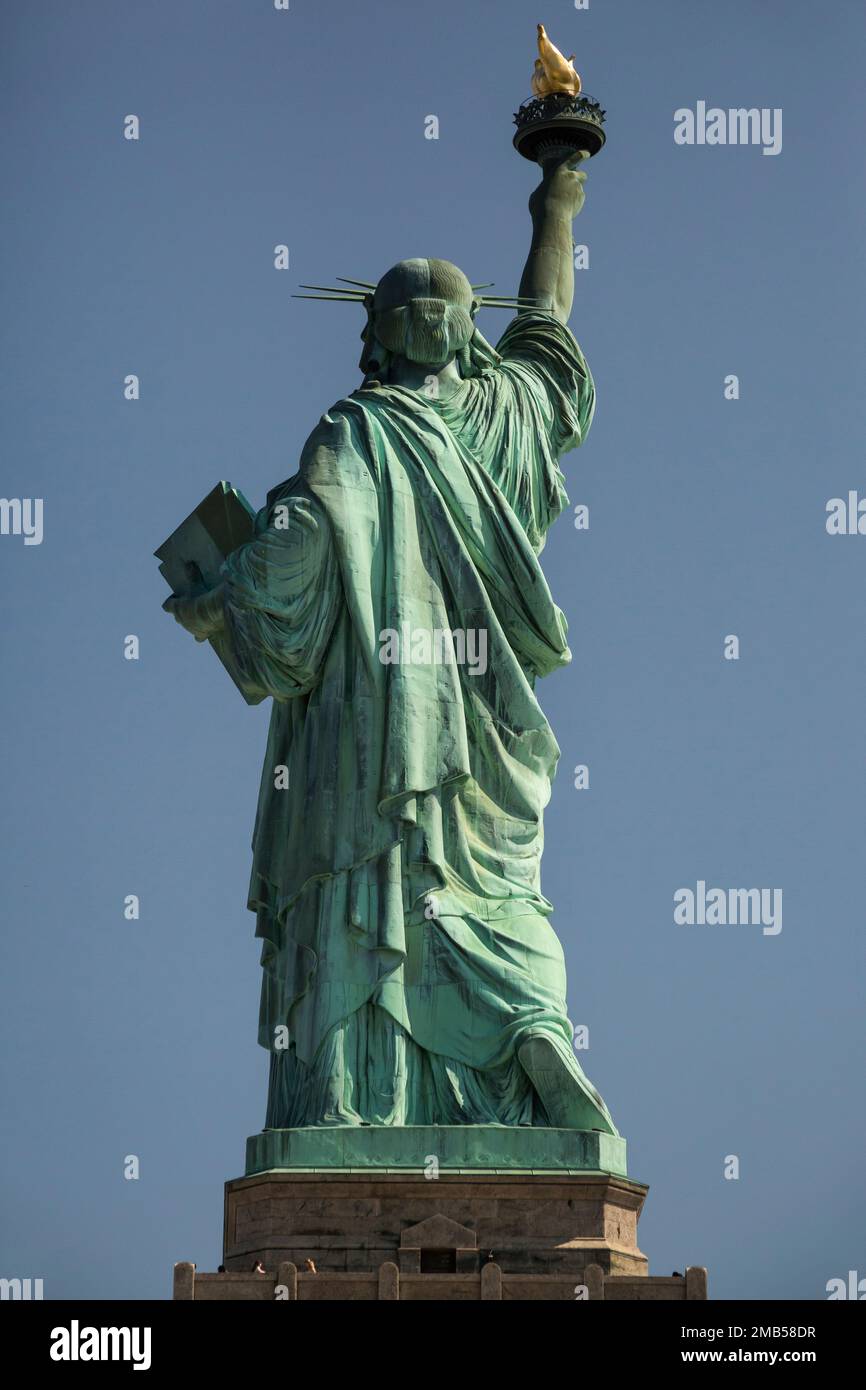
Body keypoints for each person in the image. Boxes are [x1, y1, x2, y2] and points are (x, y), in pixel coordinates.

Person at [165, 151, 617, 1137]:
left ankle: (344, 1101)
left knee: (363, 881)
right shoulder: (504, 420)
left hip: (367, 740)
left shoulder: (353, 434)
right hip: (479, 735)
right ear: (466, 334)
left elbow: (291, 560)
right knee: (487, 890)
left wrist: (213, 595)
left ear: (374, 342)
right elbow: (546, 325)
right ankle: (524, 1028)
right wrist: (558, 193)